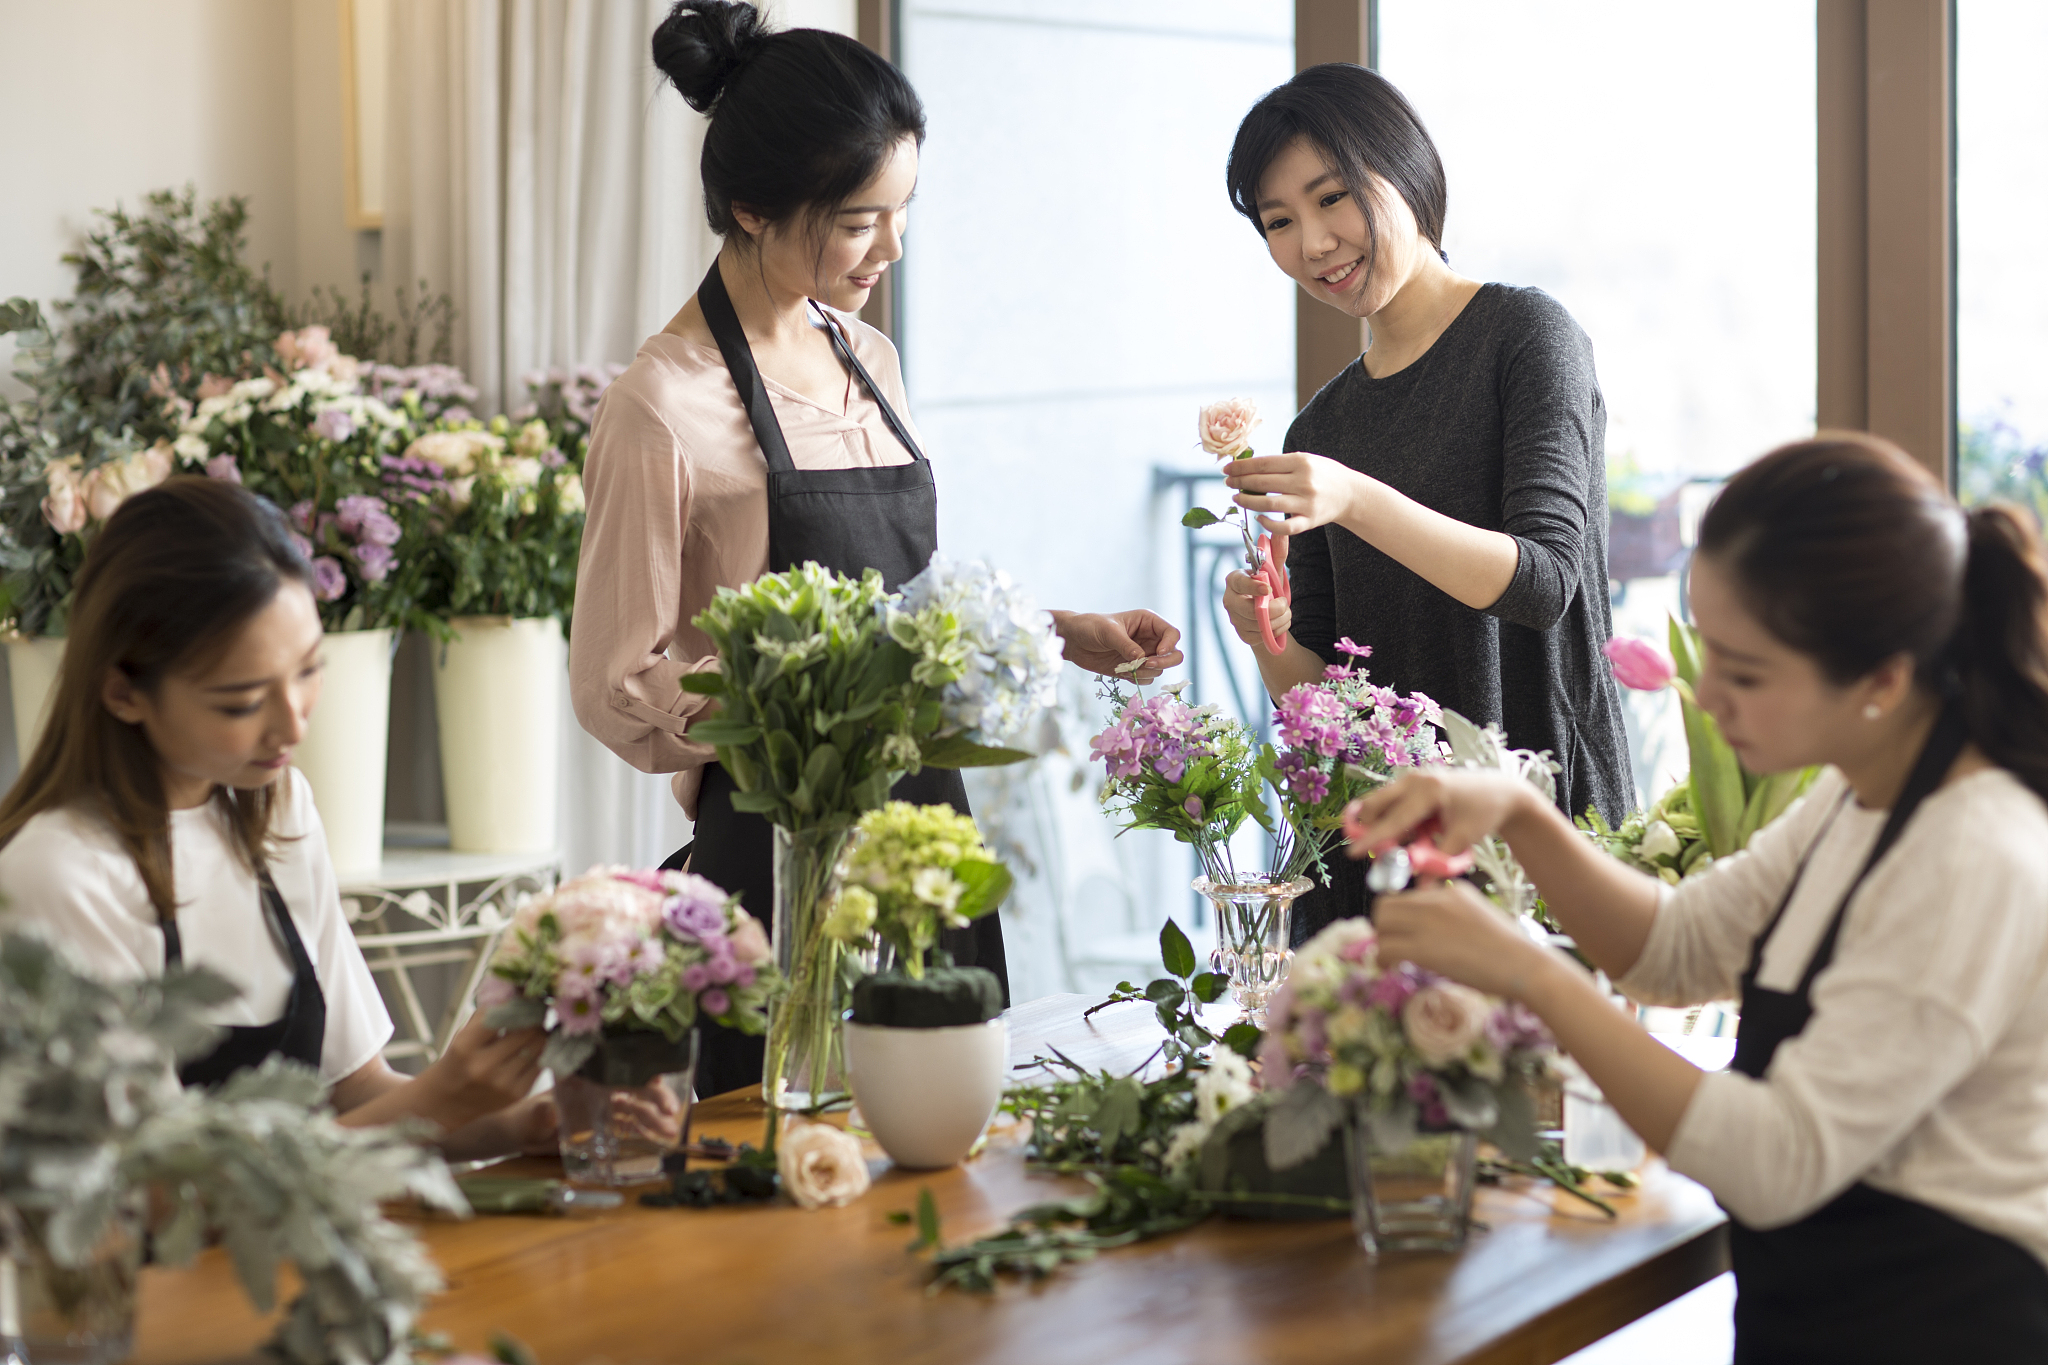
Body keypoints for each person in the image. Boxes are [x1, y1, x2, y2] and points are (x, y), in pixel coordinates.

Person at [570, 0, 1183, 1096]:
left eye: (901, 212)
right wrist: (800, 713)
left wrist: (1054, 633)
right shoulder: (659, 406)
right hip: (774, 840)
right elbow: (615, 681)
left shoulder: (867, 361)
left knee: (945, 1150)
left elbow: (900, 604)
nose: (890, 249)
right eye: (859, 221)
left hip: (924, 827)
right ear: (753, 208)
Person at [1348, 434, 2048, 1360]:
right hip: (1818, 1310)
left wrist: (1533, 976)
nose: (1707, 696)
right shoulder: (1862, 788)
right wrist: (1517, 809)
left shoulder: (1974, 854)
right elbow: (1675, 951)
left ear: (1883, 679)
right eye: (1709, 649)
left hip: (1939, 1322)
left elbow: (1774, 1160)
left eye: (1747, 673)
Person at [0, 479, 553, 1159]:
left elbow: (361, 1093)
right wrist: (442, 1096)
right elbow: (161, 1189)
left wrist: (528, 1122)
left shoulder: (276, 809)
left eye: (309, 670)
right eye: (240, 702)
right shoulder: (61, 874)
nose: (293, 722)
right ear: (123, 690)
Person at [1215, 63, 1630, 941]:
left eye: (1332, 199)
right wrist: (1267, 638)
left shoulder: (1526, 336)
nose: (1314, 243)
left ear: (1405, 173)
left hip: (1535, 824)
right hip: (1384, 854)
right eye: (1279, 222)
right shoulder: (1320, 423)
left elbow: (1542, 581)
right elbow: (1330, 699)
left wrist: (1357, 498)